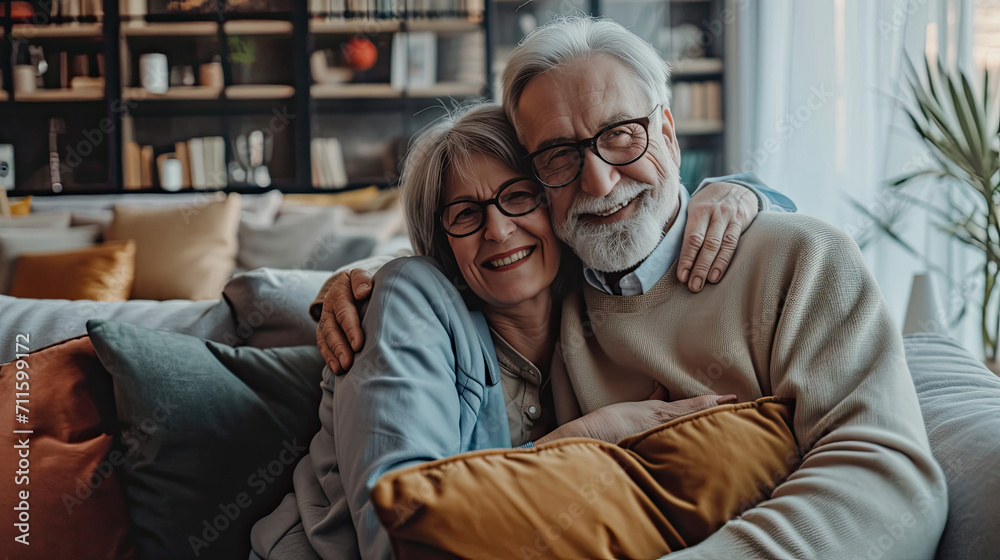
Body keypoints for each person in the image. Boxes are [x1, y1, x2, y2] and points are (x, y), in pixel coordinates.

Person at [316, 17, 948, 559]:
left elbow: (889, 483)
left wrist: (746, 190)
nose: (598, 182)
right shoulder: (560, 283)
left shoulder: (800, 259)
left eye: (621, 134)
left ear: (667, 131)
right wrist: (363, 284)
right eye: (559, 155)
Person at [250, 103, 747, 560]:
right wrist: (590, 437)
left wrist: (740, 191)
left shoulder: (596, 298)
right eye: (466, 213)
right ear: (443, 242)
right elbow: (399, 532)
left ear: (558, 202)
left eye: (519, 196)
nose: (498, 230)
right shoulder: (410, 301)